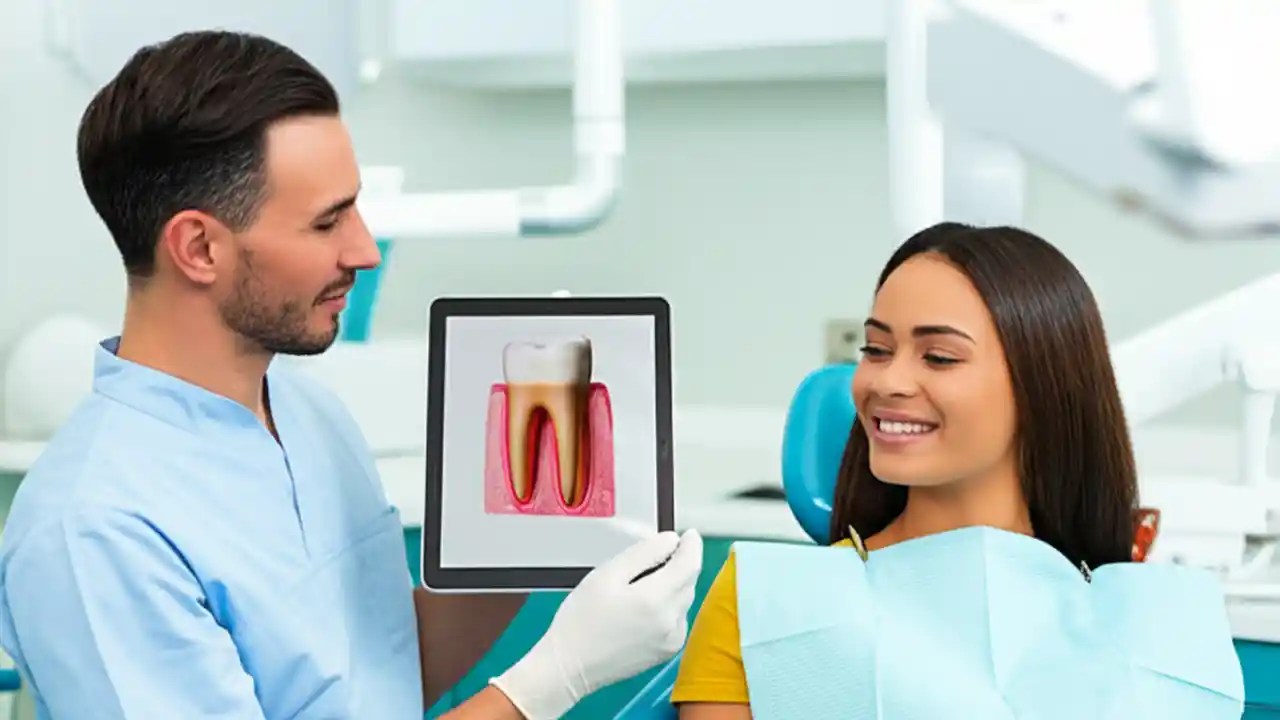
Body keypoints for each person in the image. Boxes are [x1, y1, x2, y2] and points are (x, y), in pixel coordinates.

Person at [0, 30, 703, 720]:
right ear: (199, 247)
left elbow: (390, 673)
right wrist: (553, 680)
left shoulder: (309, 412)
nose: (364, 250)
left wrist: (522, 532)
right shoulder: (94, 531)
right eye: (327, 222)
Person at [669, 222, 1245, 718]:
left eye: (938, 357)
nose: (887, 382)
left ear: (1042, 386)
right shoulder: (769, 607)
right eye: (875, 349)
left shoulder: (1154, 627)